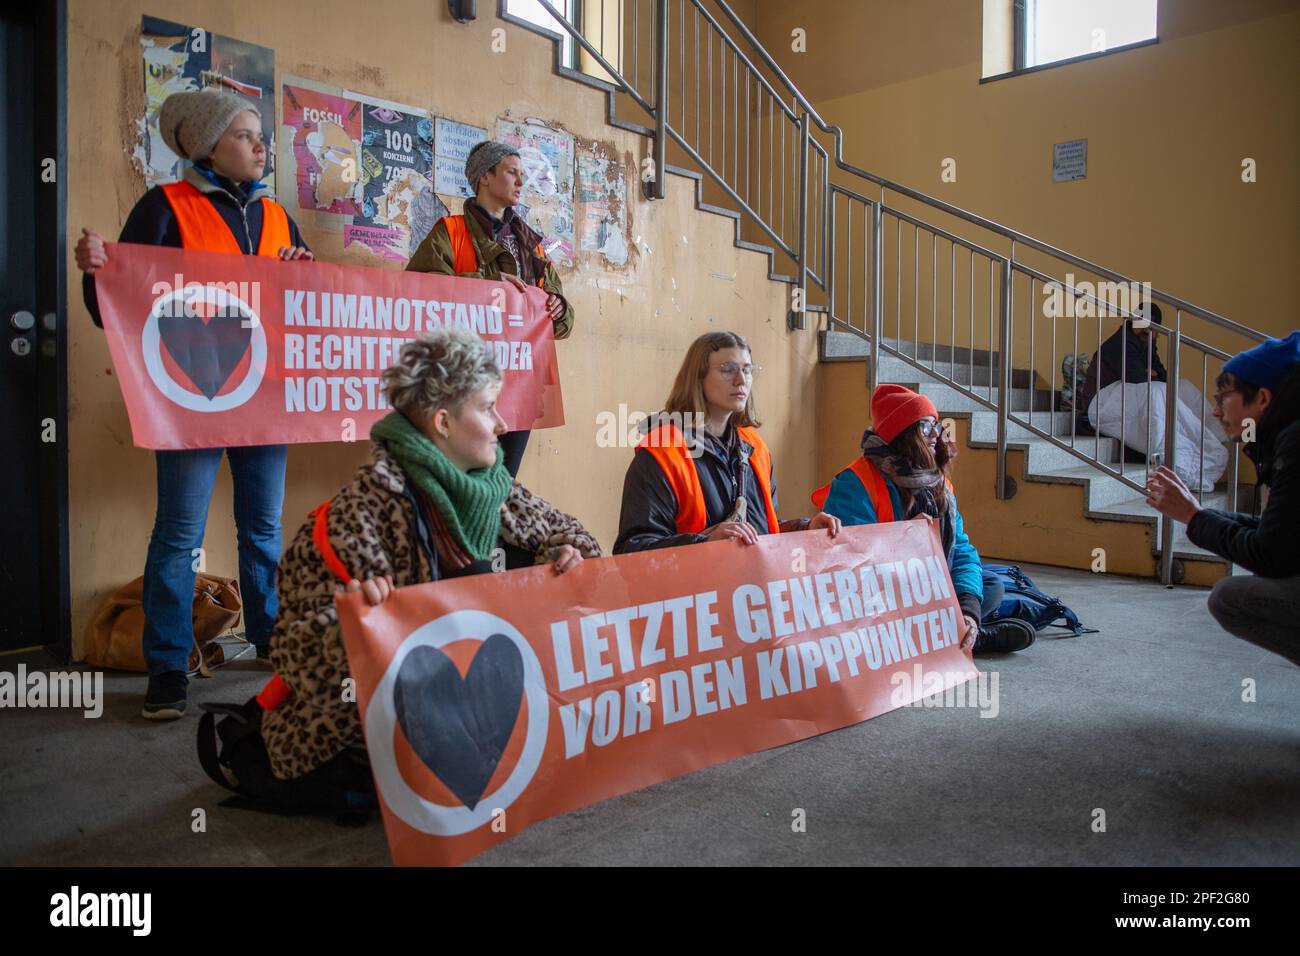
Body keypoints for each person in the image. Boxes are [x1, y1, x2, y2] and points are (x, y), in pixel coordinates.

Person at [258, 328, 601, 794]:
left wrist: (570, 552)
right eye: (486, 407)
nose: (502, 424)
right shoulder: (360, 512)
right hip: (364, 739)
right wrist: (359, 626)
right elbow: (300, 659)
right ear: (442, 423)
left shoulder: (489, 485)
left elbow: (569, 531)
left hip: (466, 715)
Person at [74, 90, 314, 720]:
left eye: (261, 135)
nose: (261, 146)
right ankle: (168, 666)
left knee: (263, 528)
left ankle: (267, 638)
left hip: (264, 396)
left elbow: (302, 310)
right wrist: (96, 273)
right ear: (206, 145)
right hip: (192, 398)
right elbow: (115, 307)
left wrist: (302, 272)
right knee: (179, 535)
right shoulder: (163, 207)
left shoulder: (279, 218)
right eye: (244, 135)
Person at [814, 384, 1035, 654]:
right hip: (883, 596)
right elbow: (848, 569)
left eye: (936, 426)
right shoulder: (855, 482)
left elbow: (962, 551)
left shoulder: (938, 482)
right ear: (902, 433)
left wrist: (968, 610)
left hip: (928, 589)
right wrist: (908, 541)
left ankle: (957, 631)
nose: (936, 435)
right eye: (925, 427)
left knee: (989, 586)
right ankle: (963, 640)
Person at [405, 140, 574, 478]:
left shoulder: (532, 242)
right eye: (512, 172)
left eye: (522, 175)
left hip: (520, 383)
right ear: (485, 176)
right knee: (461, 484)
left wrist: (559, 306)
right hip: (464, 384)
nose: (520, 182)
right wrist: (490, 282)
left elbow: (561, 321)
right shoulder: (449, 233)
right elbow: (421, 293)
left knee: (503, 486)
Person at [1146, 331, 1300, 661]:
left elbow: (1271, 555)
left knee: (1229, 598)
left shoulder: (1295, 443)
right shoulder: (1286, 435)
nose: (1215, 411)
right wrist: (1197, 512)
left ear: (1262, 398)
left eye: (1223, 397)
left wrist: (1193, 517)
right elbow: (1278, 535)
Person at [613, 331, 840, 553]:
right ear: (698, 377)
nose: (741, 380)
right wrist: (704, 544)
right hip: (696, 589)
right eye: (727, 370)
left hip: (751, 588)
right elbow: (631, 550)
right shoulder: (661, 454)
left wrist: (805, 530)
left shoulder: (755, 448)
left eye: (747, 370)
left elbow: (761, 532)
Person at [1079, 303, 1228, 492]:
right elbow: (1136, 377)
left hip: (1128, 392)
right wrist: (1151, 374)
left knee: (1184, 387)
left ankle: (1214, 442)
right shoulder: (1120, 342)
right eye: (1153, 329)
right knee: (1157, 392)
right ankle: (1177, 462)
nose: (1155, 334)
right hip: (1101, 401)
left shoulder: (1145, 341)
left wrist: (1152, 372)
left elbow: (1163, 375)